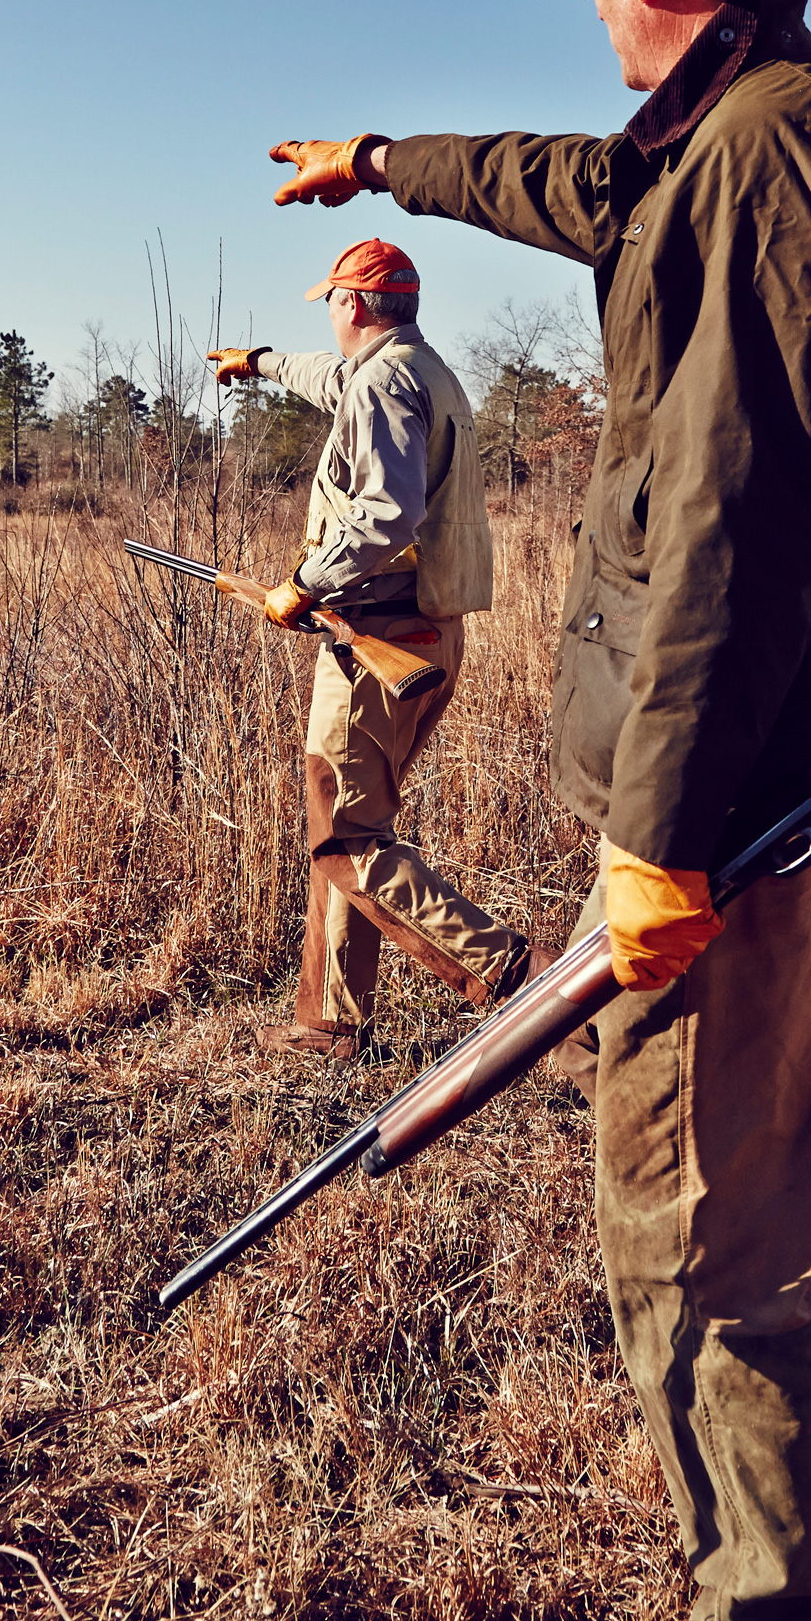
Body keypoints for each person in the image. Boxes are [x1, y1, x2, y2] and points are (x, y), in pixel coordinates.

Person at [263, 0, 811, 1621]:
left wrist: (652, 837)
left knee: (681, 1243)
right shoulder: (743, 132)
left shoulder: (762, 169)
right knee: (743, 1175)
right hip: (764, 782)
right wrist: (387, 166)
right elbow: (572, 183)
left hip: (727, 800)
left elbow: (722, 536)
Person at [207, 236, 546, 1059]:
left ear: (352, 305)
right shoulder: (414, 369)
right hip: (422, 631)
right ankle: (329, 1024)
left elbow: (385, 512)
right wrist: (257, 362)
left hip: (378, 640)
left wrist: (304, 583)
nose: (328, 316)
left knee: (346, 838)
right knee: (354, 821)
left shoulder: (386, 380)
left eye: (331, 301)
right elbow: (332, 381)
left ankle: (520, 979)